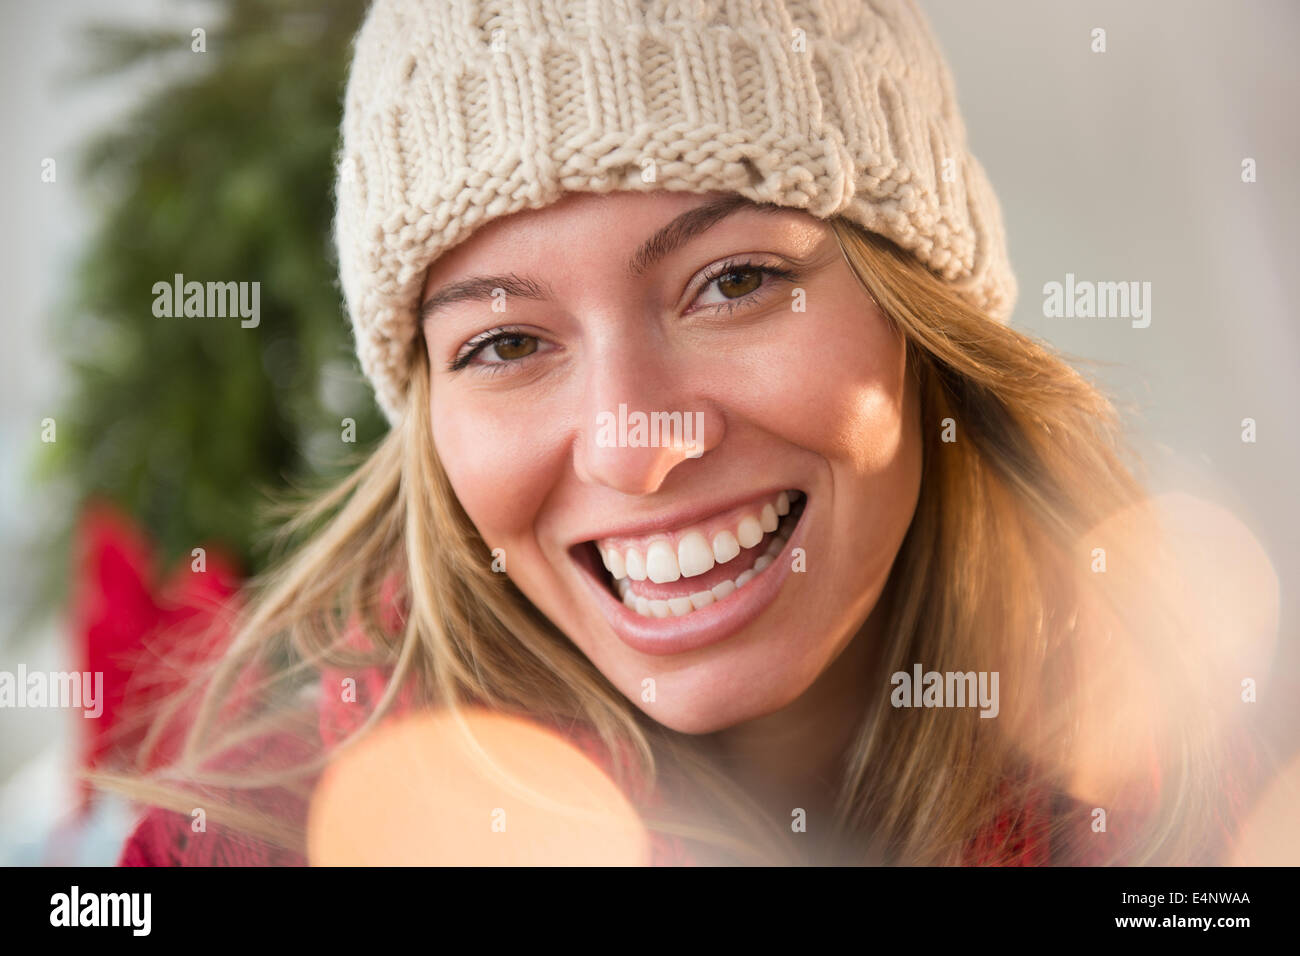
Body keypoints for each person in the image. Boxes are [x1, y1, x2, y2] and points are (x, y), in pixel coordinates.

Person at [101, 0, 1246, 866]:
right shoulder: (242, 851)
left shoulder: (1196, 816)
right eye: (504, 344)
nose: (631, 440)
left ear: (924, 315)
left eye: (734, 280)